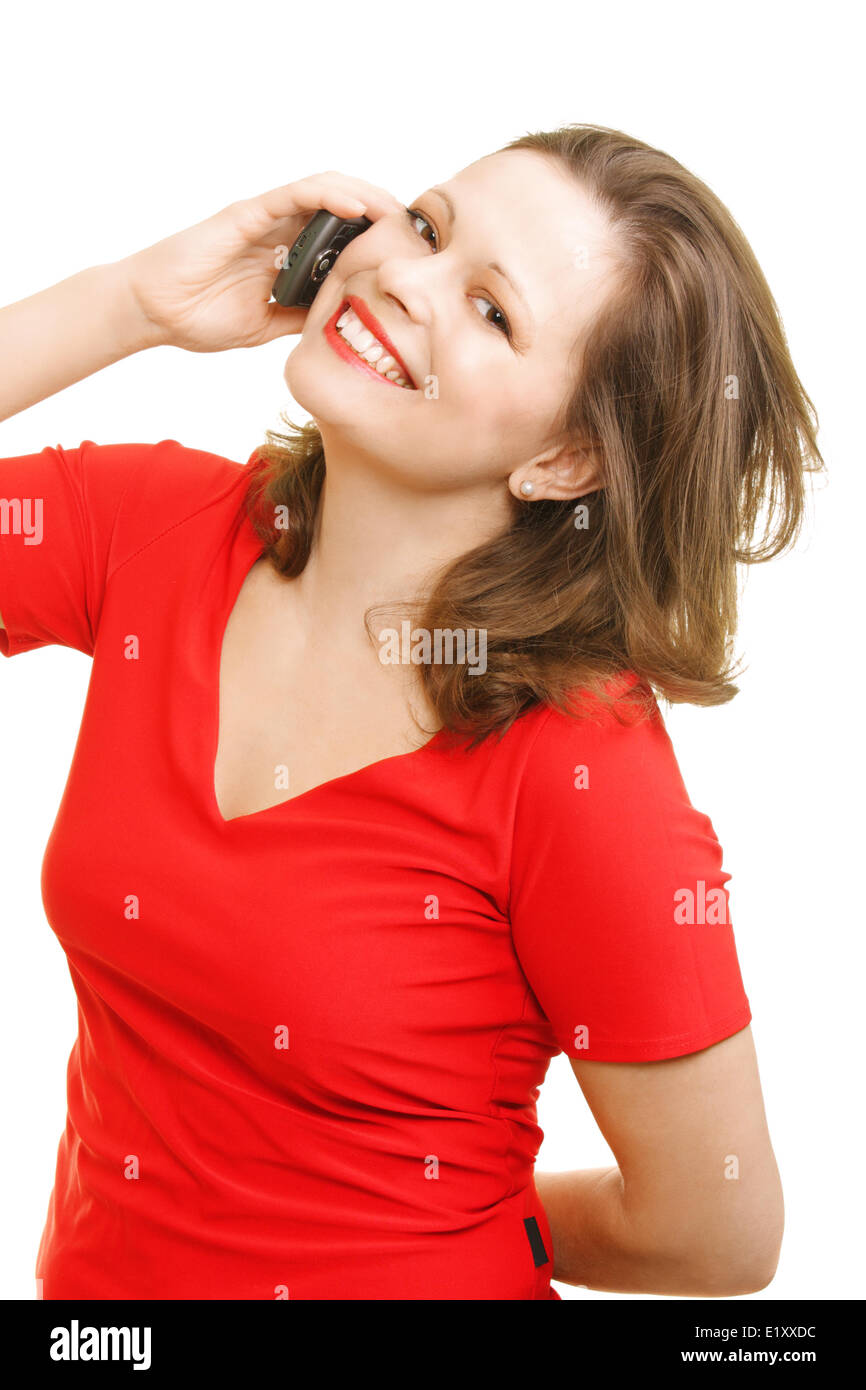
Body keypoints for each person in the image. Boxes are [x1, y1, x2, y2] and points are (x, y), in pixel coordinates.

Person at [0, 123, 821, 1300]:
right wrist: (129, 302)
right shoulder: (151, 530)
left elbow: (715, 1235)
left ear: (567, 459)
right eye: (426, 226)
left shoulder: (580, 771)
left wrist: (428, 1216)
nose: (403, 275)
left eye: (491, 310)